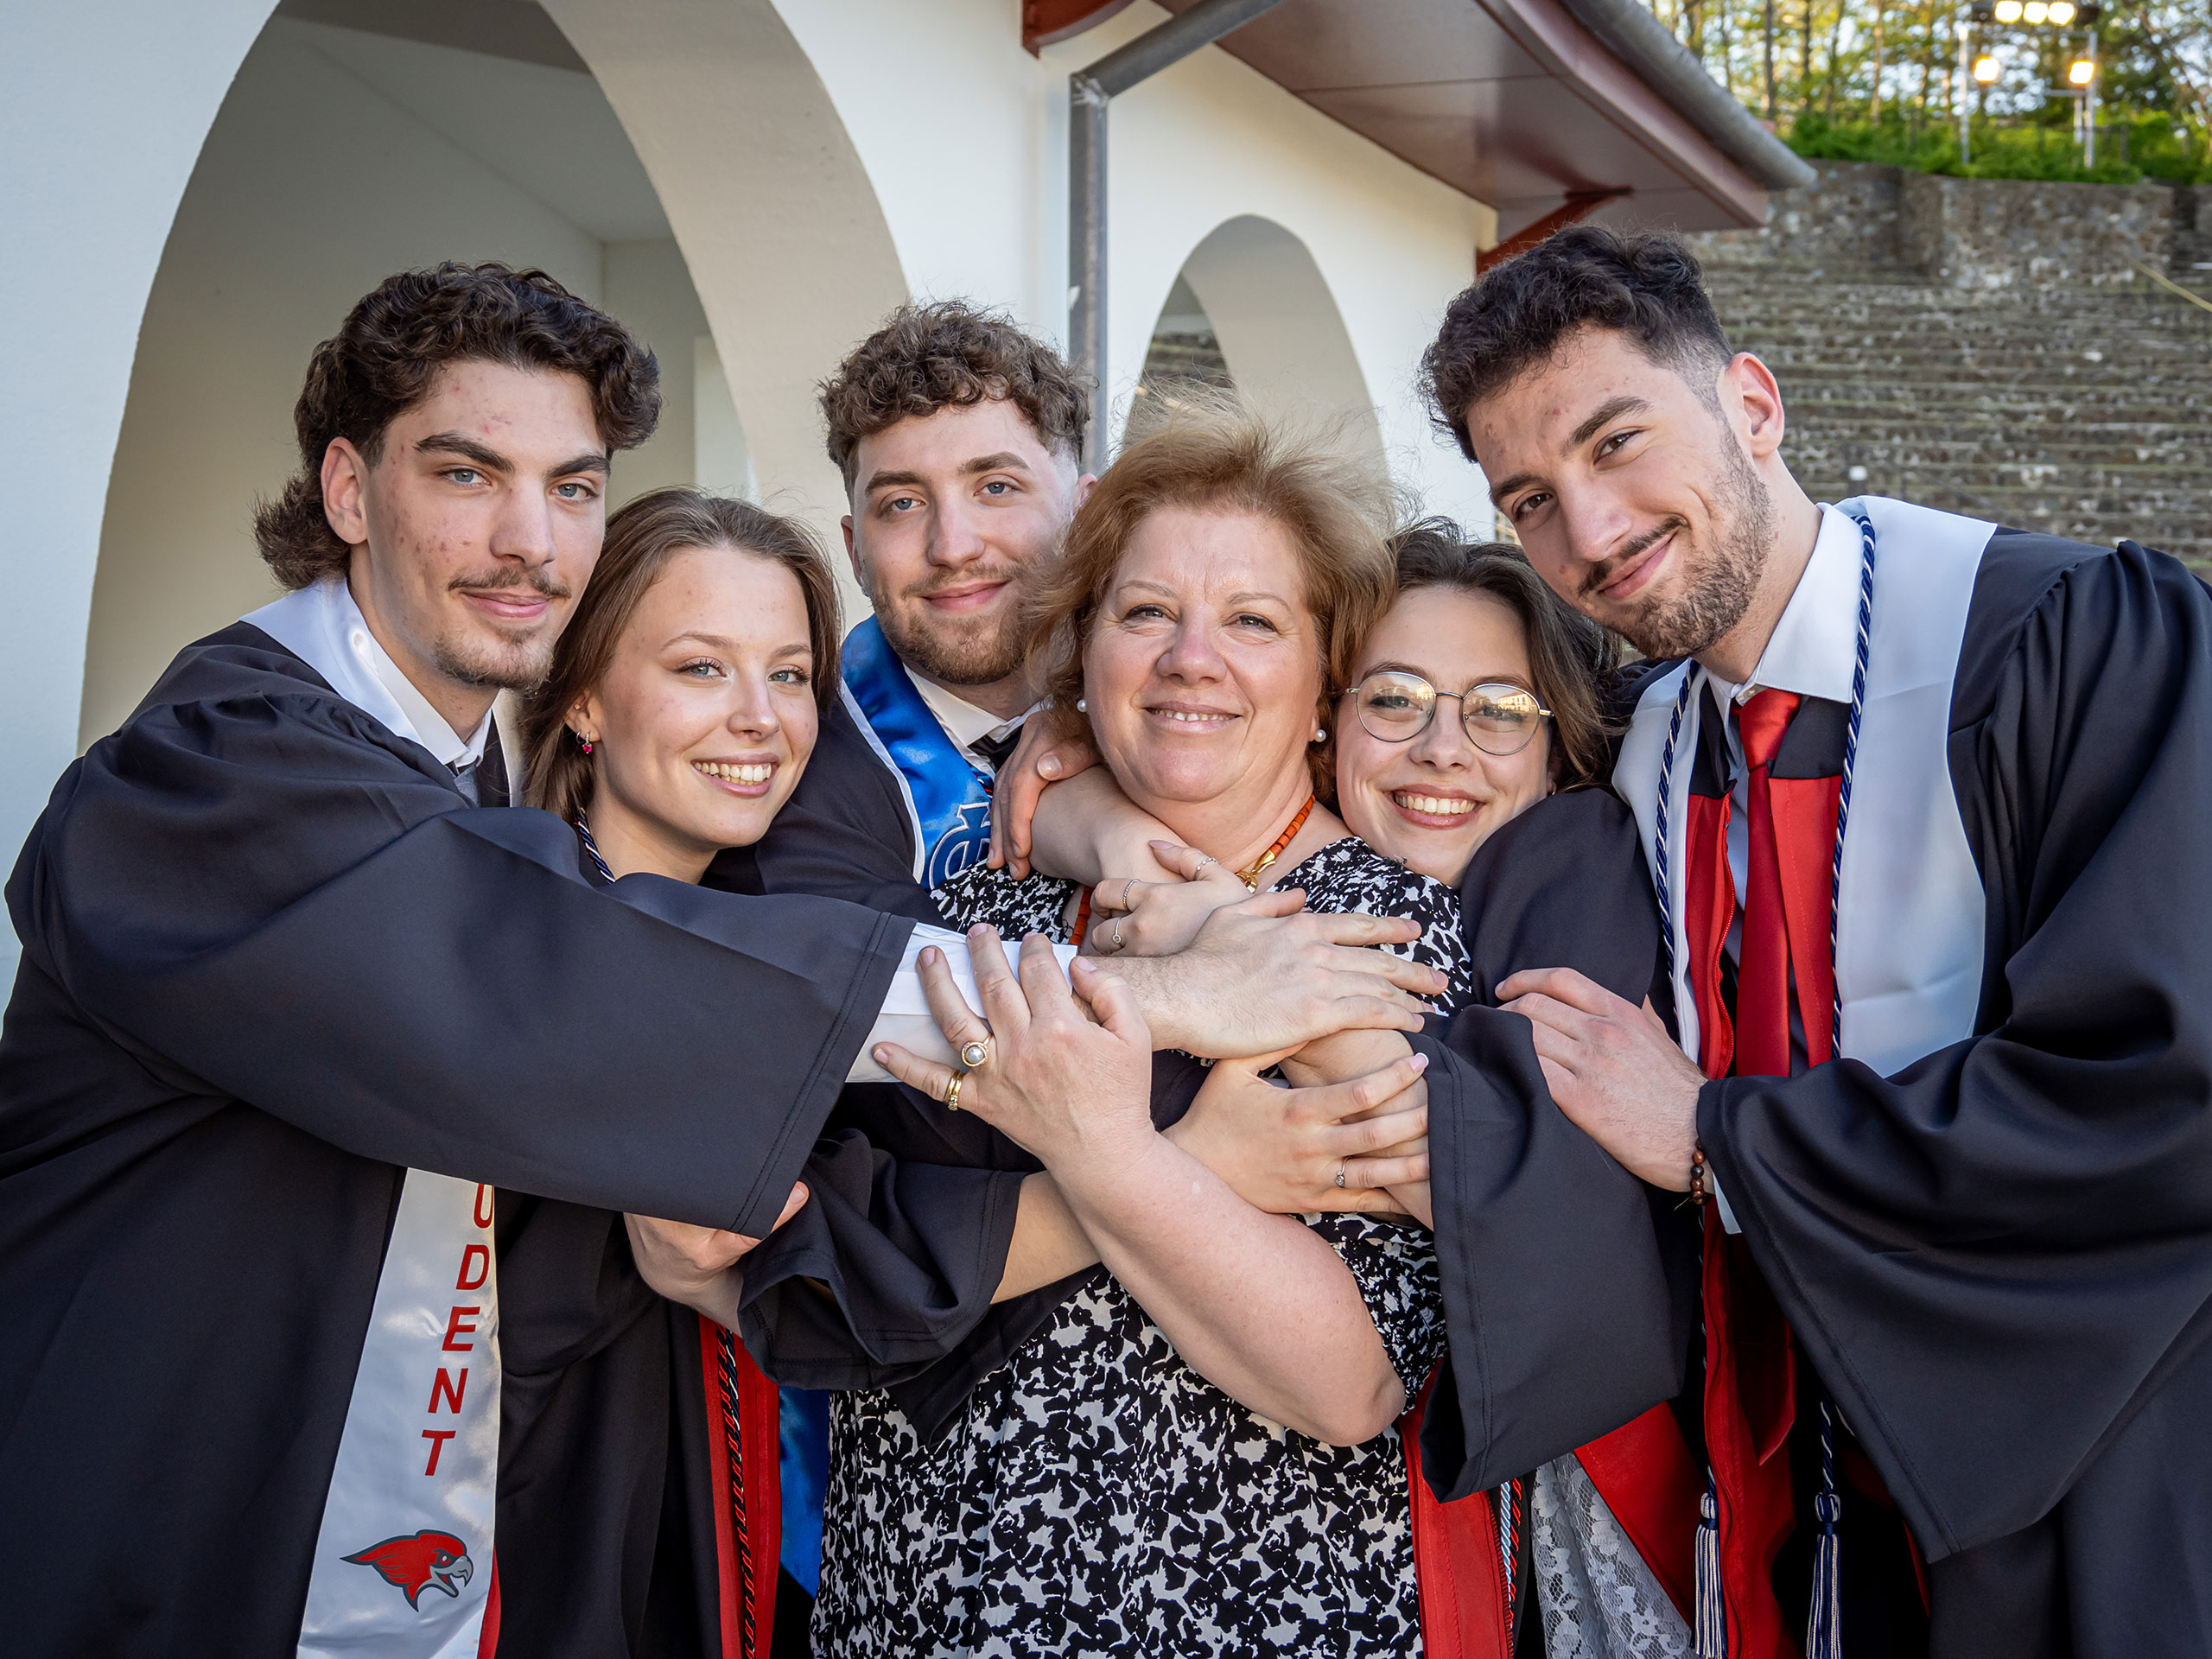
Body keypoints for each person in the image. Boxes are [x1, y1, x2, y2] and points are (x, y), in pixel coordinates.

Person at [0, 264, 1443, 1659]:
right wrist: (1166, 1025)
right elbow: (580, 1000)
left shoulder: (482, 809)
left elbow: (835, 1198)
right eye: (464, 474)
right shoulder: (212, 770)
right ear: (345, 491)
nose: (528, 539)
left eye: (571, 487)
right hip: (183, 1540)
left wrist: (1094, 819)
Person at [1421, 223, 2212, 1657]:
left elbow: (2167, 1084)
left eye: (1618, 444)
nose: (1588, 534)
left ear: (1753, 404)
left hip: (2066, 1472)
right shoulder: (1632, 745)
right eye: (1530, 499)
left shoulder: (2067, 644)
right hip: (1769, 1487)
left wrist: (1724, 1137)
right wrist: (1073, 765)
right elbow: (1356, 756)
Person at [810, 401, 1476, 1656]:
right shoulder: (979, 905)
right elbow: (853, 1256)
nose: (1191, 659)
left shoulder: (1382, 946)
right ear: (1084, 650)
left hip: (1222, 1616)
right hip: (909, 1604)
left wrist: (1115, 1153)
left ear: (1327, 685)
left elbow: (1350, 1386)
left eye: (1253, 621)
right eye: (1147, 612)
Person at [1014, 517, 1696, 1655]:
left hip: (1617, 1502)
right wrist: (1101, 807)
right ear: (1326, 718)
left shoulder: (1574, 885)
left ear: (1556, 744)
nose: (1443, 748)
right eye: (1396, 699)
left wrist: (1229, 951)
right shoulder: (1305, 879)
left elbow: (1522, 1201)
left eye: (1498, 711)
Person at [734, 301, 1094, 915]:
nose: (952, 547)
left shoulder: (1174, 710)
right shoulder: (786, 782)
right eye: (902, 503)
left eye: (996, 488)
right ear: (855, 550)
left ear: (1086, 518)